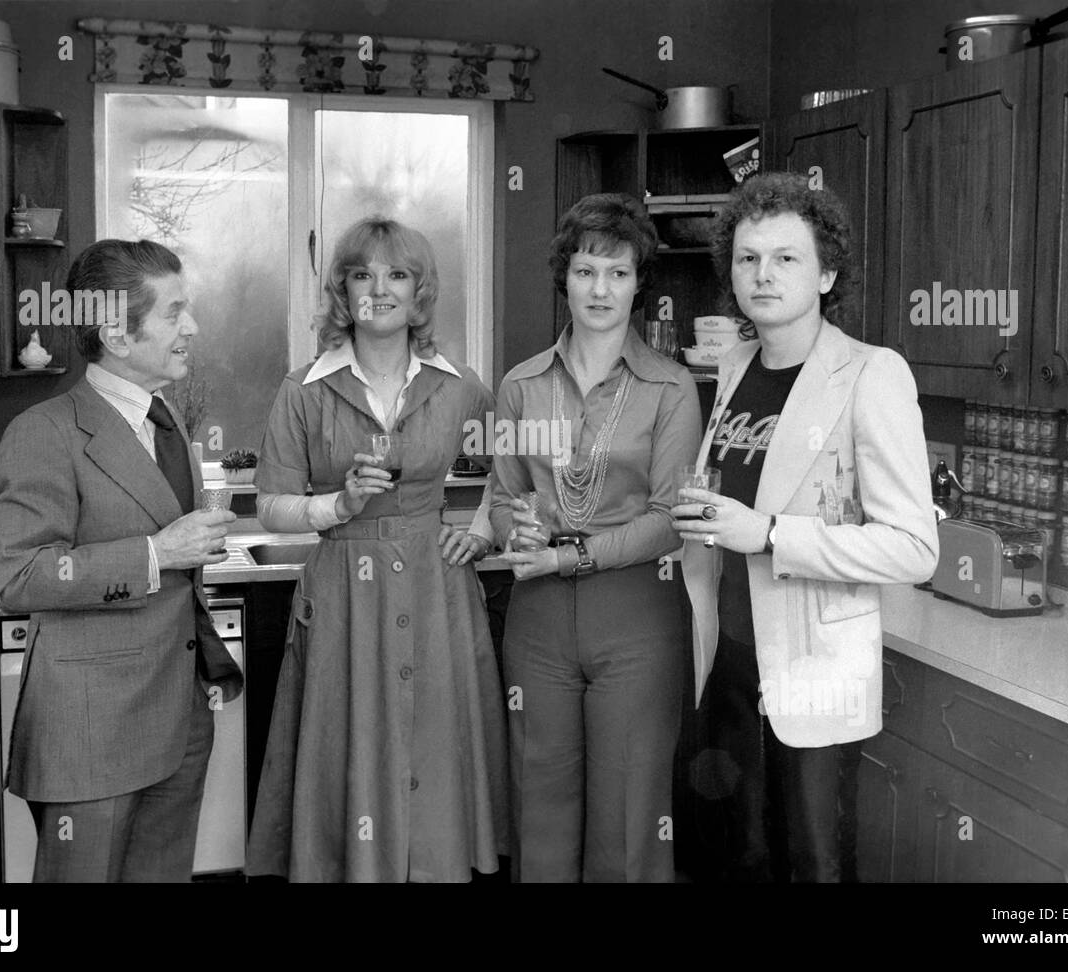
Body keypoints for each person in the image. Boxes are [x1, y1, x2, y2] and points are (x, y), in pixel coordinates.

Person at [673, 172, 938, 882]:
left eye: (787, 258)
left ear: (826, 274)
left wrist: (766, 533)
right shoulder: (732, 367)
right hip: (727, 664)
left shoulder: (870, 375)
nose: (763, 275)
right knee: (741, 861)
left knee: (813, 866)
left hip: (812, 675)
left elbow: (914, 548)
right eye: (748, 257)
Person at [246, 216, 506, 883]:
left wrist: (482, 530)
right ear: (343, 289)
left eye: (398, 274)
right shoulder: (301, 389)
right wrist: (338, 505)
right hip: (343, 594)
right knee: (349, 743)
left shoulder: (460, 386)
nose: (380, 289)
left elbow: (522, 471)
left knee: (432, 750)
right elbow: (272, 503)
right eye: (363, 273)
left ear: (420, 291)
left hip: (435, 585)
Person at [0, 239, 243, 882]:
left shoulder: (167, 421)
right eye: (174, 313)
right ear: (116, 334)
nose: (192, 328)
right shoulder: (45, 431)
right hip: (91, 732)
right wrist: (158, 554)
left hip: (178, 717)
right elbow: (19, 576)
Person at [491, 193, 701, 882]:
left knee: (630, 813)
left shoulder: (671, 388)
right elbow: (501, 494)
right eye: (586, 271)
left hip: (637, 619)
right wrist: (516, 527)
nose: (601, 289)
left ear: (641, 281)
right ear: (565, 277)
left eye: (617, 272)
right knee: (538, 803)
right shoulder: (520, 385)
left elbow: (672, 518)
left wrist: (571, 553)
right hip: (539, 622)